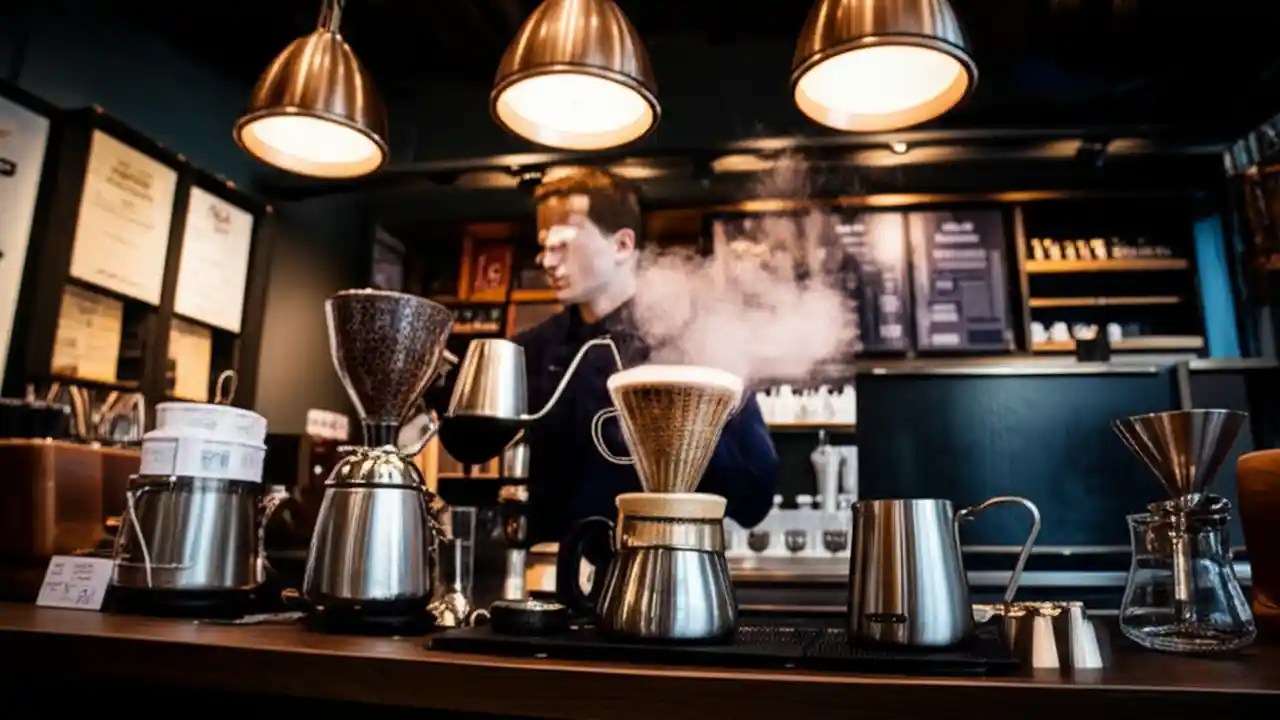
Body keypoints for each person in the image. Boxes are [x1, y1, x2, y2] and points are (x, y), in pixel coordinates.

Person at [513, 167, 778, 544]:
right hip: (553, 584)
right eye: (544, 247)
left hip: (664, 576)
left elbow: (754, 499)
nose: (546, 261)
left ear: (622, 245)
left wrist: (694, 416)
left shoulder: (696, 343)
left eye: (563, 245)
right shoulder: (534, 349)